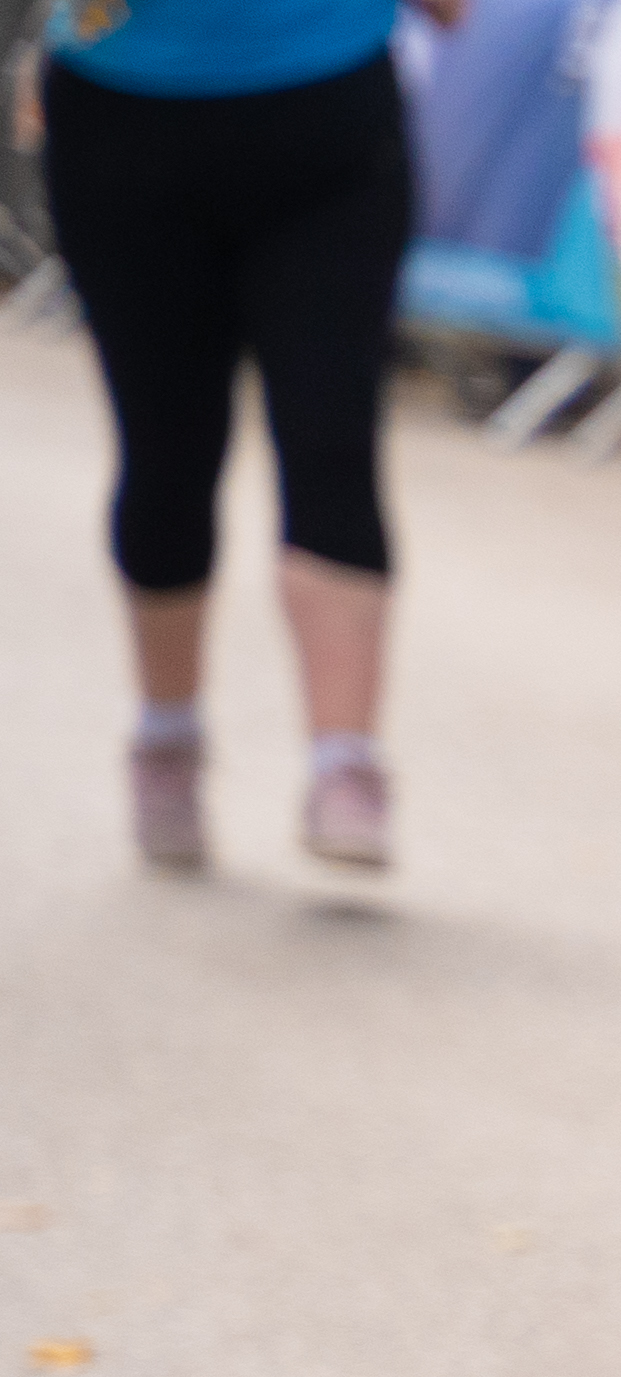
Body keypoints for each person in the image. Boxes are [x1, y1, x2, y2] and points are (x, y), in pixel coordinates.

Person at [33, 0, 443, 872]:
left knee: (332, 435)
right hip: (124, 110)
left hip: (327, 111)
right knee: (168, 453)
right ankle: (167, 736)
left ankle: (345, 764)